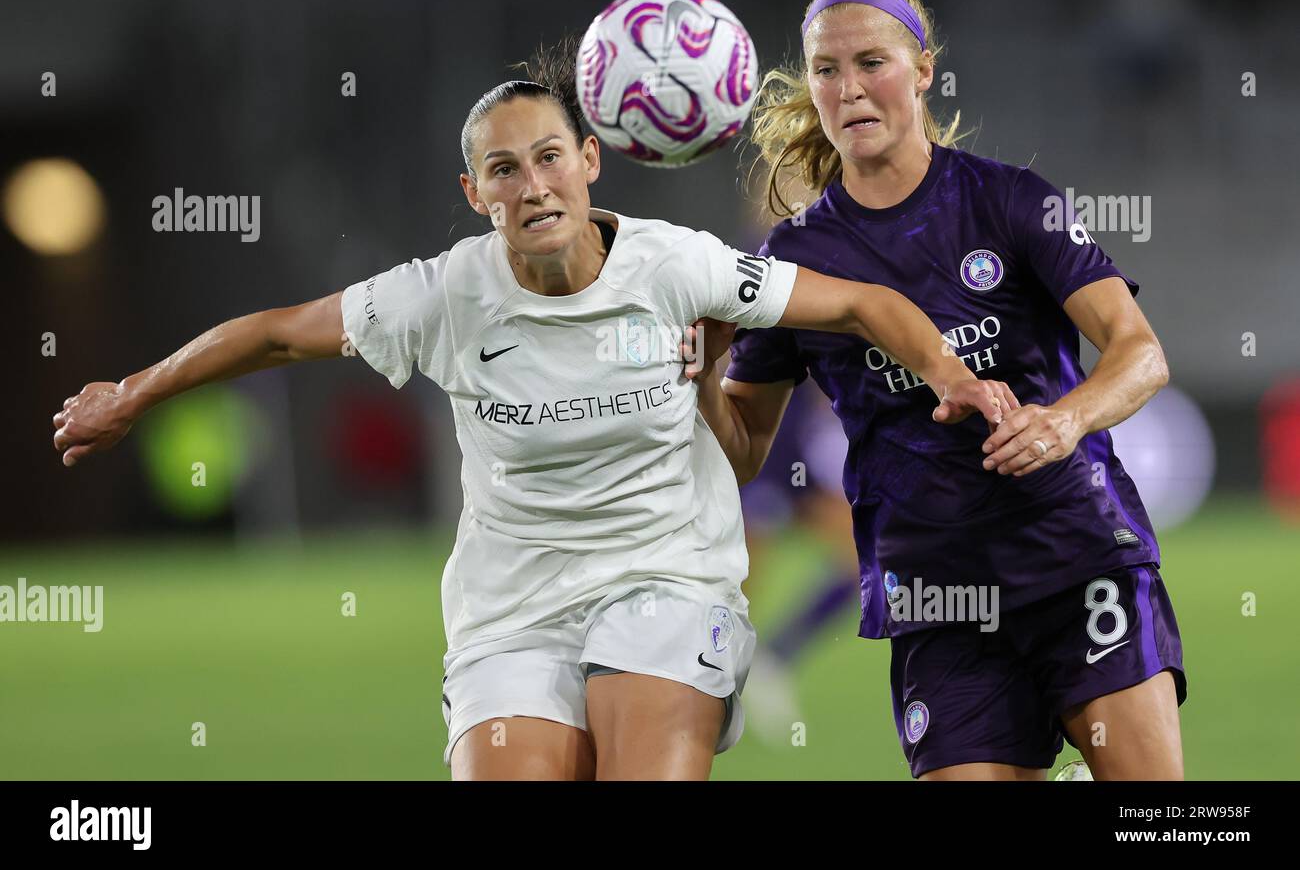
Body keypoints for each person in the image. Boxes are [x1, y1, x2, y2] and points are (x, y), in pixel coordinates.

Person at [51, 43, 1009, 781]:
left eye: (549, 156)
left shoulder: (675, 265)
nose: (532, 183)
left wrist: (947, 374)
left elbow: (855, 301)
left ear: (591, 160)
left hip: (666, 584)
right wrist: (133, 393)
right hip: (511, 614)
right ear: (476, 195)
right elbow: (274, 334)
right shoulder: (441, 295)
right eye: (503, 170)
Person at [688, 0, 1186, 780]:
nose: (848, 89)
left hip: (1074, 556)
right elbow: (743, 449)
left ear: (923, 70)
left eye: (871, 62)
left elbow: (1140, 352)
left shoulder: (1013, 201)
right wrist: (703, 377)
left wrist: (1064, 419)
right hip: (936, 597)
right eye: (825, 70)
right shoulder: (793, 262)